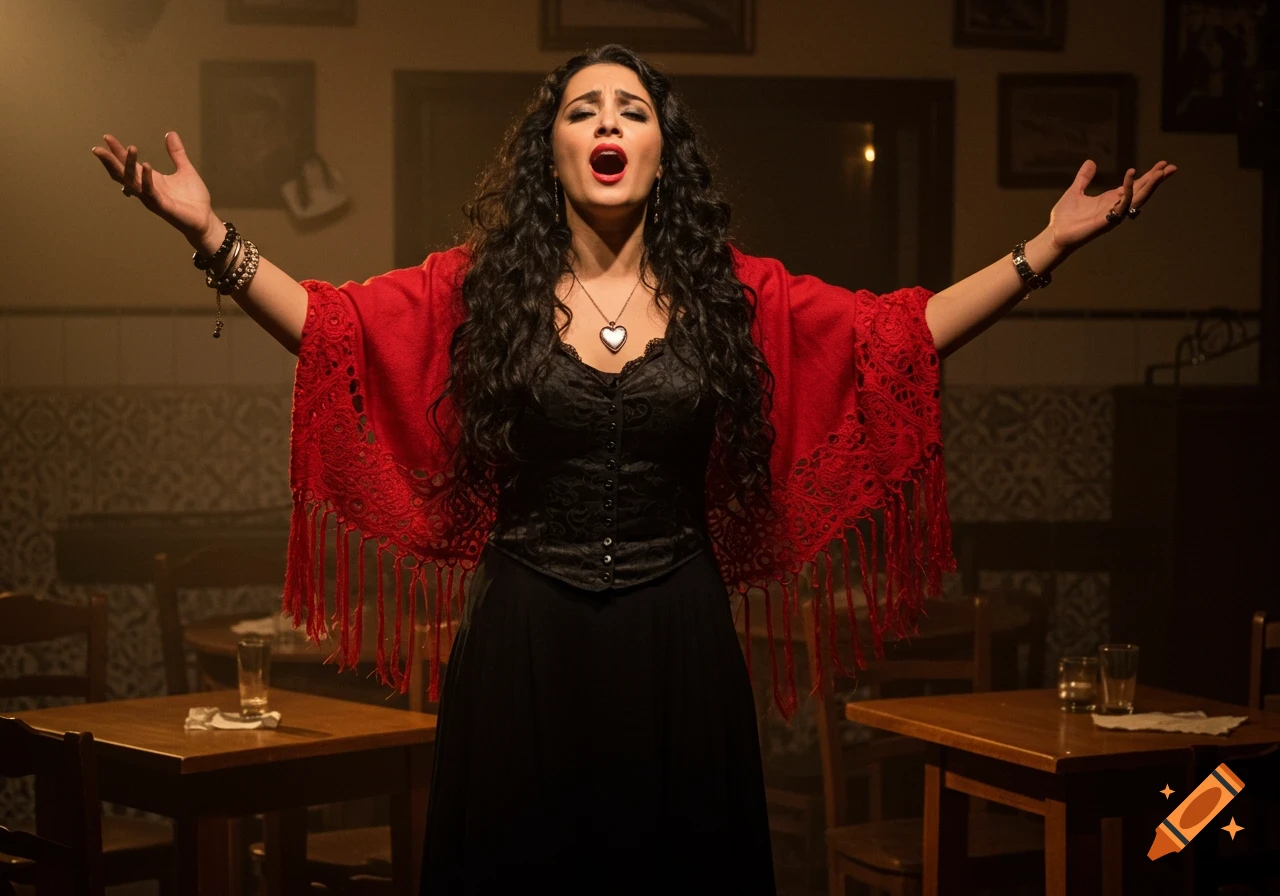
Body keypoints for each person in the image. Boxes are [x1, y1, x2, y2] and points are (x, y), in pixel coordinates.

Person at [92, 43, 1175, 895]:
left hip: (675, 641)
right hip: (522, 638)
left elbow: (900, 337)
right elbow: (332, 331)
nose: (607, 124)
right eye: (581, 111)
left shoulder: (734, 297)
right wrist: (211, 235)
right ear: (550, 152)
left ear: (662, 152)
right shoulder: (474, 290)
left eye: (631, 110)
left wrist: (1045, 248)